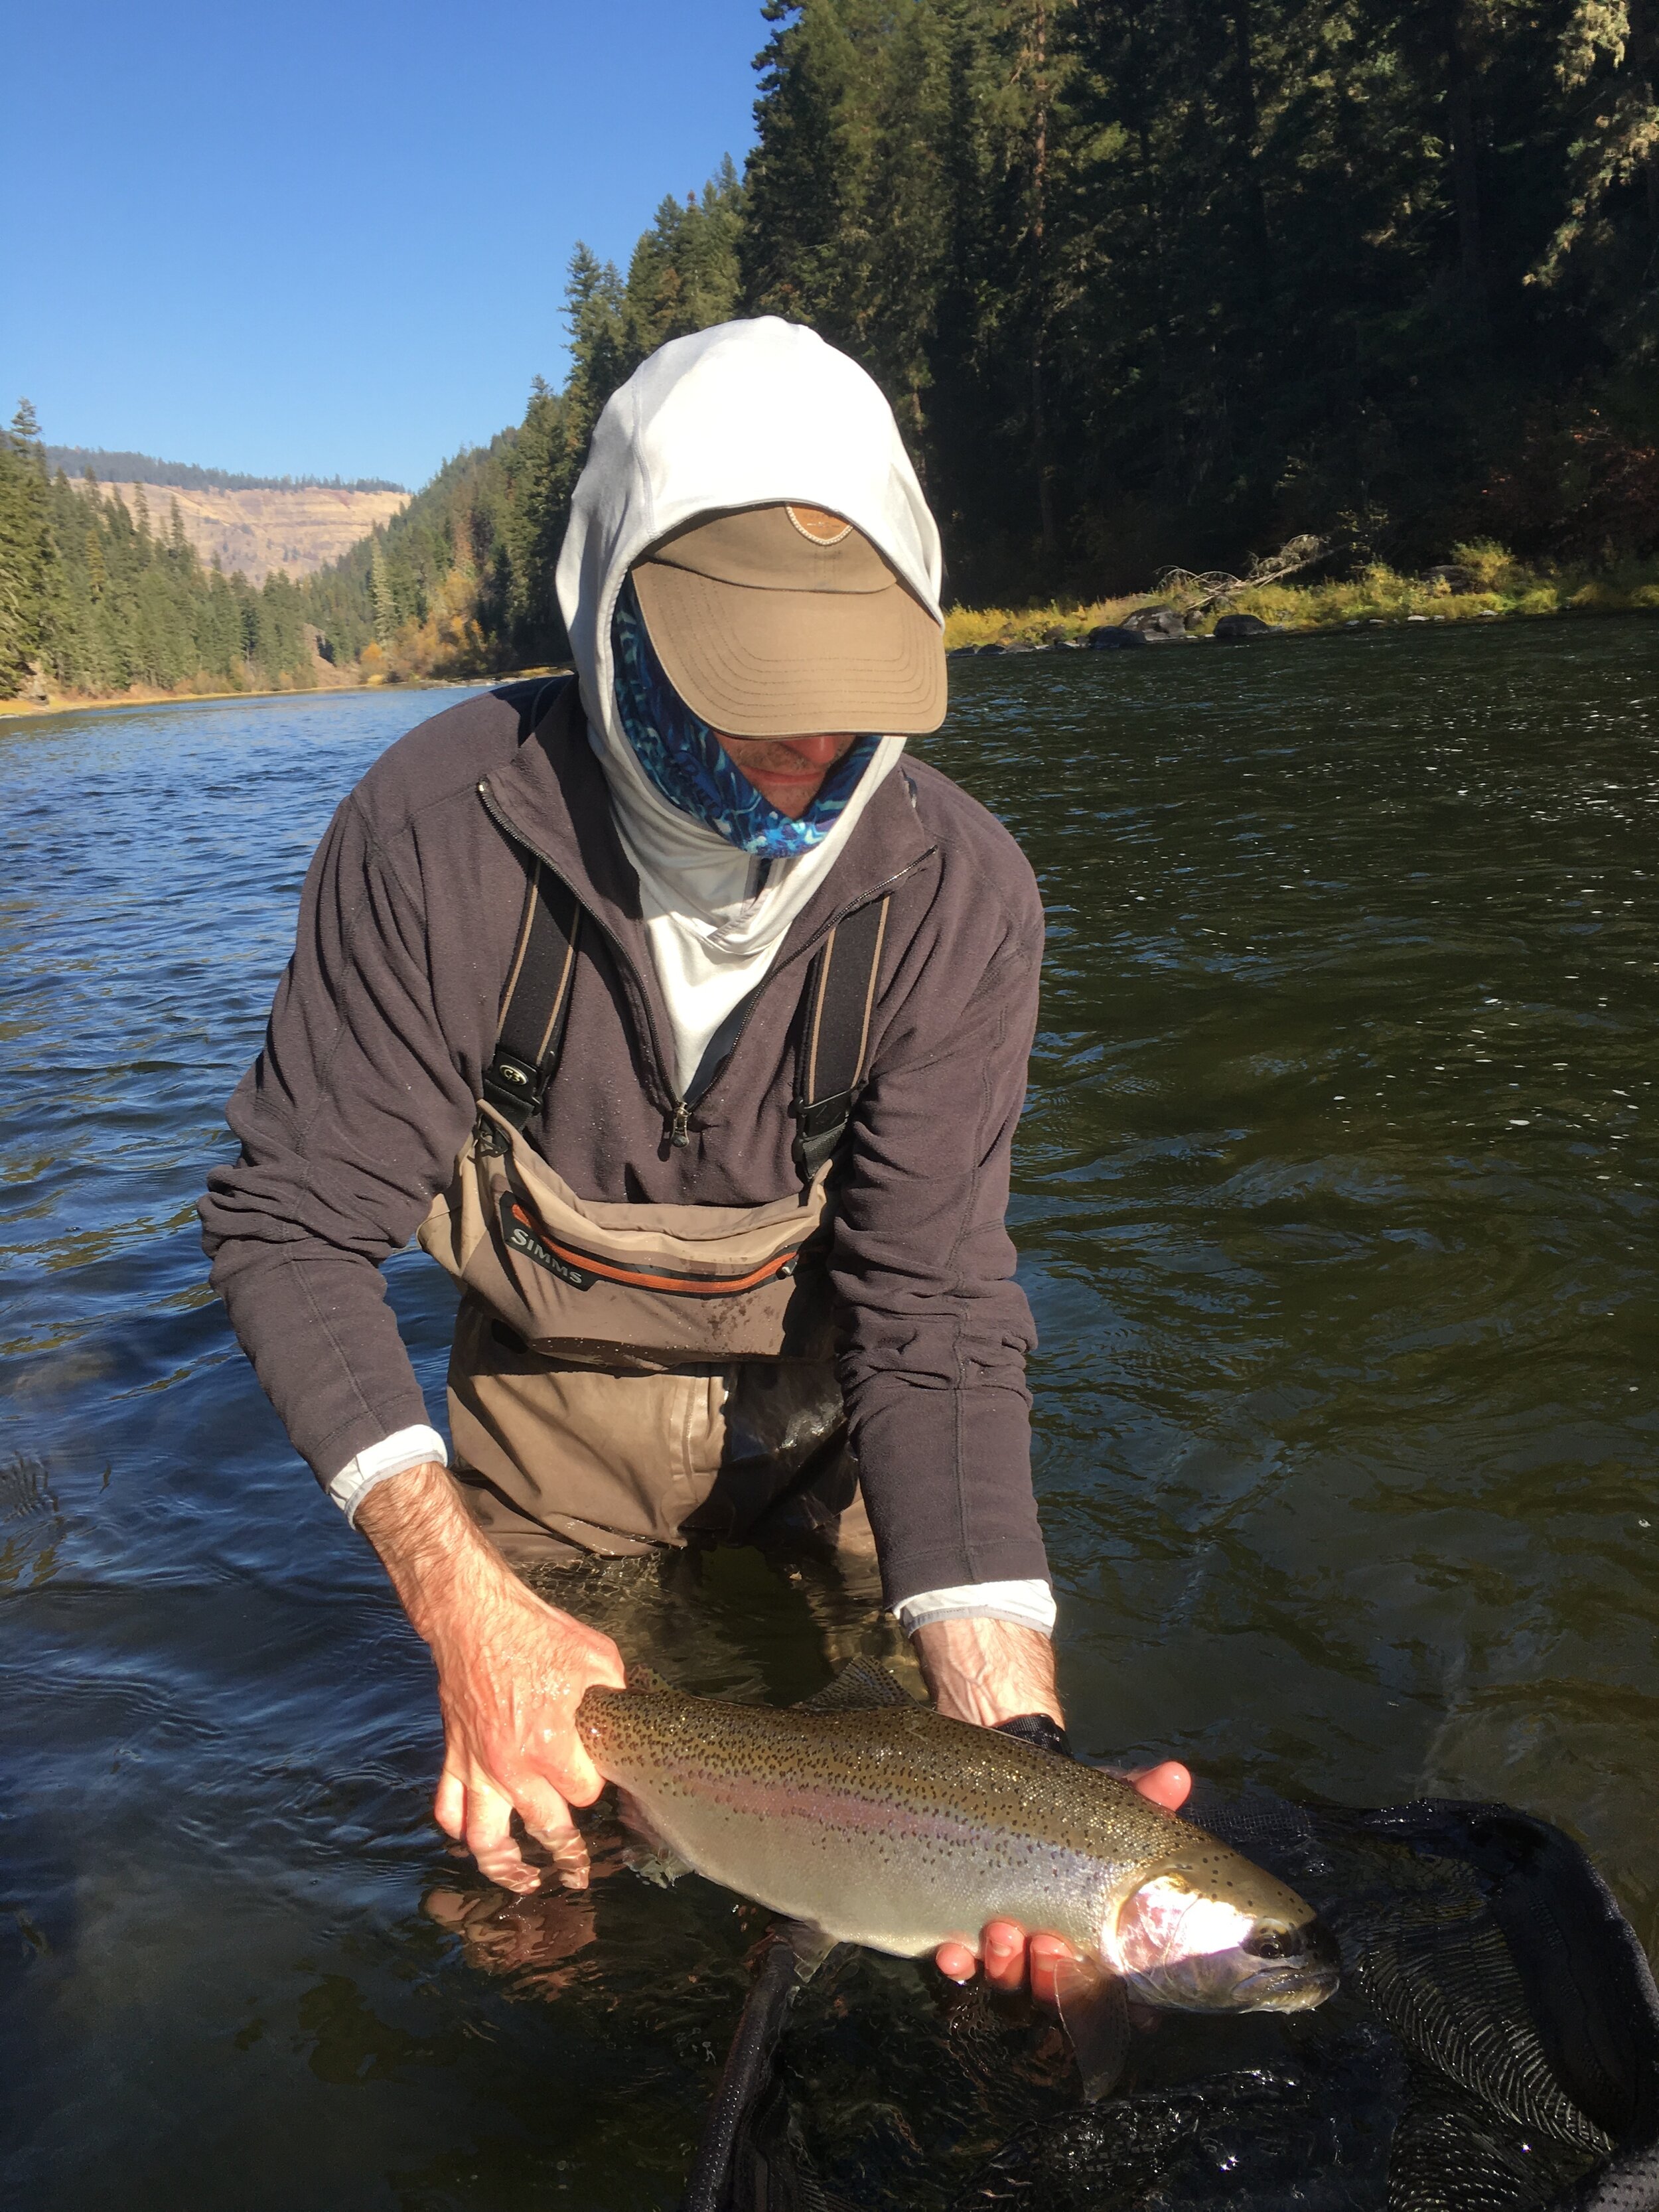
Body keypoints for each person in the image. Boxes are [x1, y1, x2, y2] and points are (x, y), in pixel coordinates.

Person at [200, 318, 1187, 1998]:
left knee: (1010, 1982)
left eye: (845, 677)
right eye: (744, 676)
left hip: (824, 1453)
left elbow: (933, 1313)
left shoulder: (960, 895)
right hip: (540, 1478)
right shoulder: (439, 836)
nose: (807, 741)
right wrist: (464, 1604)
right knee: (535, 1931)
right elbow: (289, 1227)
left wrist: (1006, 1727)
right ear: (606, 620)